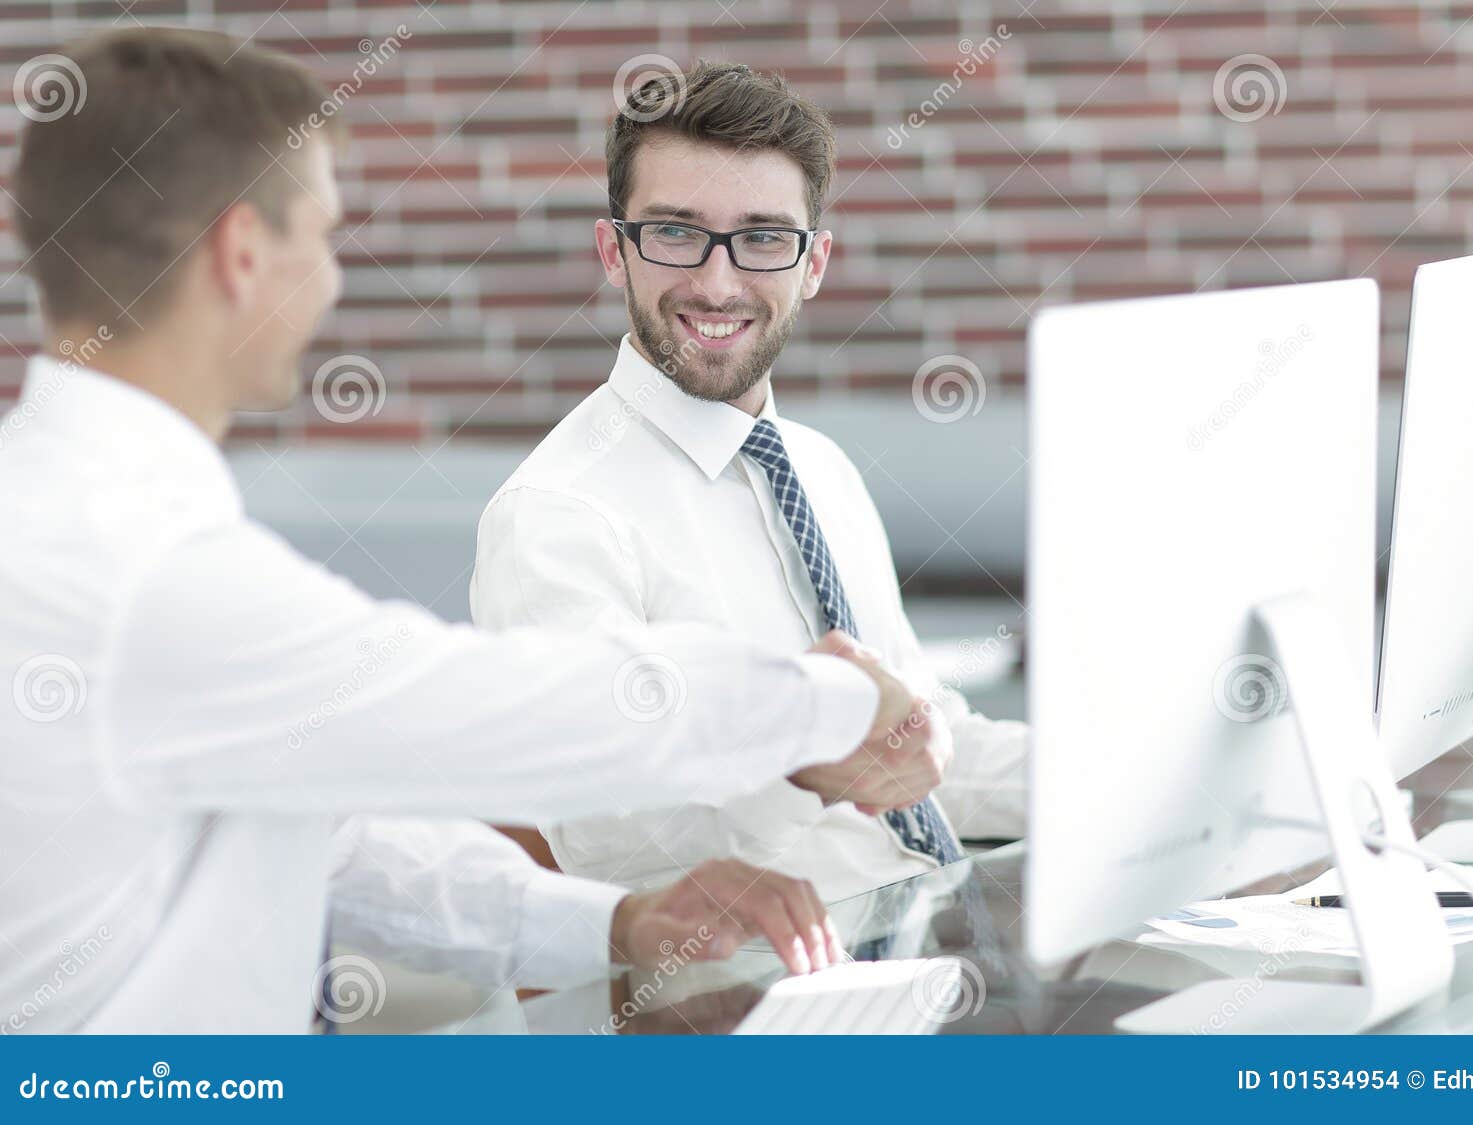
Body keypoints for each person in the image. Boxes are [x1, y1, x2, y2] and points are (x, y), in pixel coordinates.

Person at [0, 29, 947, 1034]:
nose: (330, 280)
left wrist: (618, 926)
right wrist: (831, 704)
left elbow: (331, 838)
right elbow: (520, 712)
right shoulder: (141, 567)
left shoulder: (75, 508)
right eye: (321, 238)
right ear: (244, 255)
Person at [471, 61, 1027, 905]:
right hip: (735, 1002)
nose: (717, 282)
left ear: (814, 263)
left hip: (928, 940)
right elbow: (608, 832)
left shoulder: (822, 470)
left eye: (763, 237)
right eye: (674, 233)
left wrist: (1134, 766)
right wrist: (811, 758)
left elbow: (926, 742)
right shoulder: (556, 513)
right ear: (614, 252)